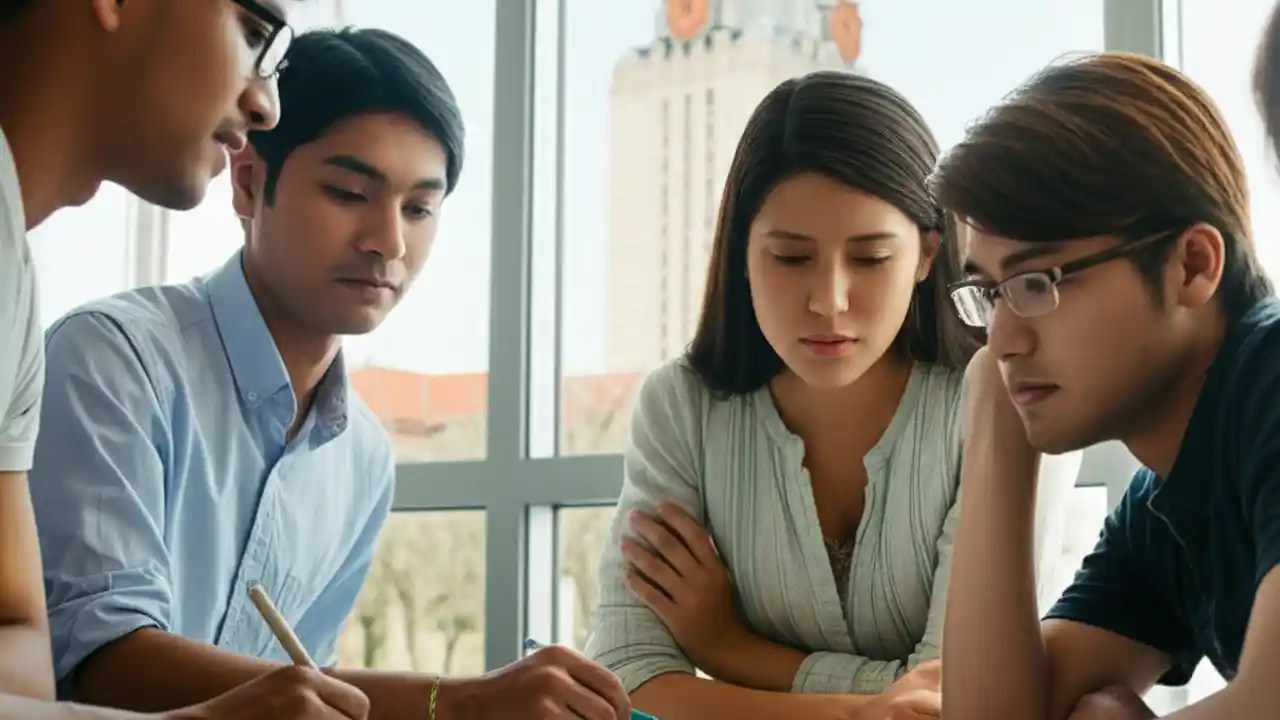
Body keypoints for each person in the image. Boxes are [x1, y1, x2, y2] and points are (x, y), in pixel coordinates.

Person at [26, 26, 632, 720]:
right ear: (249, 183)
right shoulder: (113, 362)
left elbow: (303, 683)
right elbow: (101, 663)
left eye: (418, 208)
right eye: (348, 192)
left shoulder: (362, 455)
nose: (389, 242)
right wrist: (460, 701)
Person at [585, 70, 1082, 720]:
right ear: (741, 254)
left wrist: (733, 649)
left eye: (870, 258)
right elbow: (624, 677)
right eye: (791, 258)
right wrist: (860, 713)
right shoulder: (681, 408)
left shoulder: (1008, 399)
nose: (829, 301)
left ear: (927, 253)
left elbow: (963, 696)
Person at [1, 1, 374, 718]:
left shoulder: (13, 280)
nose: (265, 105)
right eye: (252, 29)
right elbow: (80, 665)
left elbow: (18, 652)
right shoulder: (109, 351)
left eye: (421, 207)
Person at [936, 51, 1280, 720]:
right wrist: (996, 431)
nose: (1002, 341)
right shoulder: (1163, 507)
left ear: (1192, 266)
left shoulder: (1271, 378)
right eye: (990, 294)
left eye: (1037, 283)